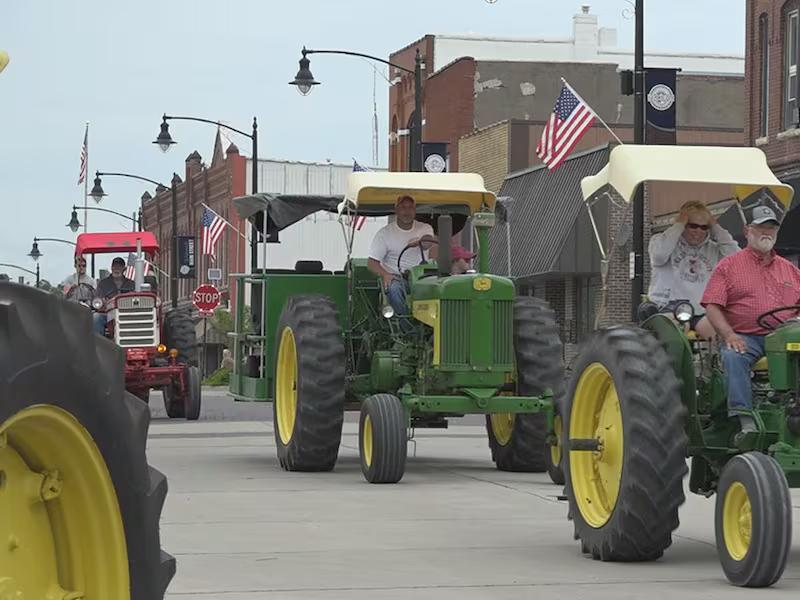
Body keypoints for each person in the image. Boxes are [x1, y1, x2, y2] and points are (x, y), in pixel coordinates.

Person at [701, 195, 800, 434]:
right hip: (747, 337)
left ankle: (792, 409)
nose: (766, 232)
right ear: (748, 230)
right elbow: (712, 305)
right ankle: (745, 419)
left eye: (771, 228)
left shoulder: (790, 270)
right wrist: (729, 335)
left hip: (784, 336)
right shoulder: (729, 266)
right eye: (761, 227)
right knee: (735, 356)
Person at [648, 200, 739, 338]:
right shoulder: (660, 241)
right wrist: (679, 224)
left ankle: (715, 359)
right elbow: (659, 256)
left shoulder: (713, 249)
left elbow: (737, 260)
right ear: (683, 224)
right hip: (669, 307)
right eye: (693, 226)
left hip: (701, 309)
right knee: (675, 331)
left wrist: (715, 225)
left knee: (721, 332)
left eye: (704, 227)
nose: (698, 231)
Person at [368, 195, 438, 317]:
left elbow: (428, 242)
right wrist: (385, 275)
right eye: (403, 207)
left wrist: (420, 241)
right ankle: (405, 326)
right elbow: (372, 263)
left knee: (441, 289)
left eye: (410, 207)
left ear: (415, 210)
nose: (407, 211)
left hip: (422, 277)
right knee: (394, 289)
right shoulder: (384, 234)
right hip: (398, 277)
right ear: (396, 210)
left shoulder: (424, 228)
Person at [93, 257, 135, 335]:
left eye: (119, 266)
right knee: (96, 317)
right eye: (114, 266)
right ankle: (98, 344)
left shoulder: (132, 284)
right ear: (111, 267)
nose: (116, 269)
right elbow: (98, 299)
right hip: (109, 314)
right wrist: (102, 302)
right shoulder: (103, 283)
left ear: (124, 268)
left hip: (127, 314)